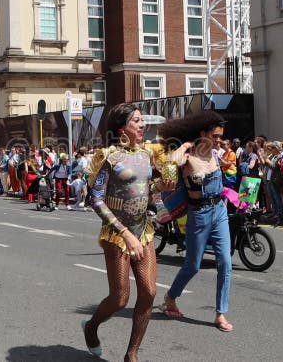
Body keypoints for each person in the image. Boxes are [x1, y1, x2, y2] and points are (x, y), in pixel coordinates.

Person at [82, 104, 171, 362]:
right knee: (120, 298)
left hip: (143, 230)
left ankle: (132, 354)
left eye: (142, 121)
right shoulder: (108, 157)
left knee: (149, 293)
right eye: (136, 121)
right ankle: (91, 326)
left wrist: (160, 186)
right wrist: (125, 233)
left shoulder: (145, 155)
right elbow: (96, 200)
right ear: (122, 127)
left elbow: (145, 190)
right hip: (116, 234)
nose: (142, 125)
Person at [156, 110, 233, 333]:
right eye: (215, 136)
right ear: (203, 133)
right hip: (198, 213)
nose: (219, 140)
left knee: (225, 262)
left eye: (221, 136)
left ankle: (221, 313)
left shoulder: (216, 155)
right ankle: (170, 298)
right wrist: (183, 147)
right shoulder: (188, 157)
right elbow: (172, 163)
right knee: (193, 264)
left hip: (219, 210)